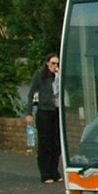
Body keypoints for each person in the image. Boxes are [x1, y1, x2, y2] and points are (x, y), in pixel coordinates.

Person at [25, 53, 63, 183]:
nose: (55, 66)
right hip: (44, 112)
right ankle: (46, 173)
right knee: (45, 143)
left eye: (57, 64)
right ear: (47, 63)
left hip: (56, 111)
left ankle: (54, 171)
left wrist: (58, 76)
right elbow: (31, 95)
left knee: (56, 143)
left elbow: (60, 92)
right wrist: (29, 113)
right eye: (53, 63)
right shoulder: (40, 77)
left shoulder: (58, 78)